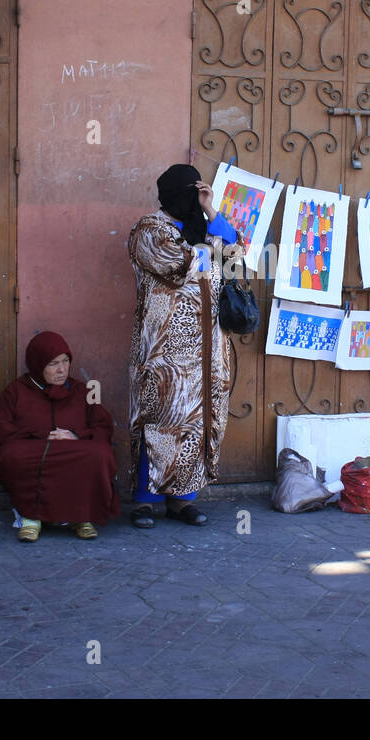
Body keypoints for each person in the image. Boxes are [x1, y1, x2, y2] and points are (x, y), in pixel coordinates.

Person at [127, 163, 238, 529]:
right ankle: (145, 500)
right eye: (189, 195)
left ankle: (181, 501)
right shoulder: (148, 230)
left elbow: (236, 260)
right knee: (160, 416)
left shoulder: (201, 227)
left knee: (196, 422)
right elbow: (180, 265)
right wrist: (211, 247)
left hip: (206, 348)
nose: (191, 201)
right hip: (163, 350)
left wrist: (211, 212)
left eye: (197, 194)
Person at [0, 331, 120, 541]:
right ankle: (31, 518)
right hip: (36, 449)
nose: (62, 369)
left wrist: (75, 436)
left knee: (100, 453)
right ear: (37, 364)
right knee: (13, 454)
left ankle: (82, 517)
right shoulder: (16, 391)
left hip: (75, 450)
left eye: (66, 361)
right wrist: (41, 437)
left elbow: (102, 427)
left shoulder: (81, 391)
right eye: (53, 364)